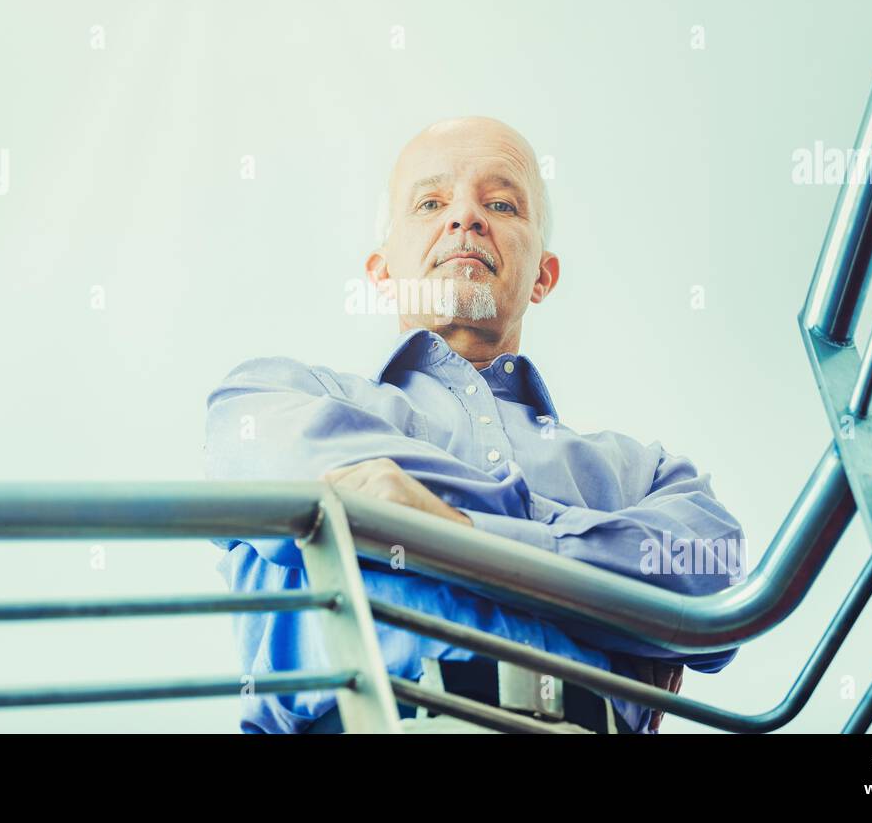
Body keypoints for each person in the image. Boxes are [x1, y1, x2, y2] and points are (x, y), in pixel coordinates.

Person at [204, 116, 745, 733]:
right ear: (382, 271)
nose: (465, 217)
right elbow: (678, 611)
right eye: (431, 202)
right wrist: (611, 596)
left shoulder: (647, 472)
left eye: (502, 203)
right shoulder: (274, 396)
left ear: (543, 274)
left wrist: (447, 525)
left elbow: (714, 583)